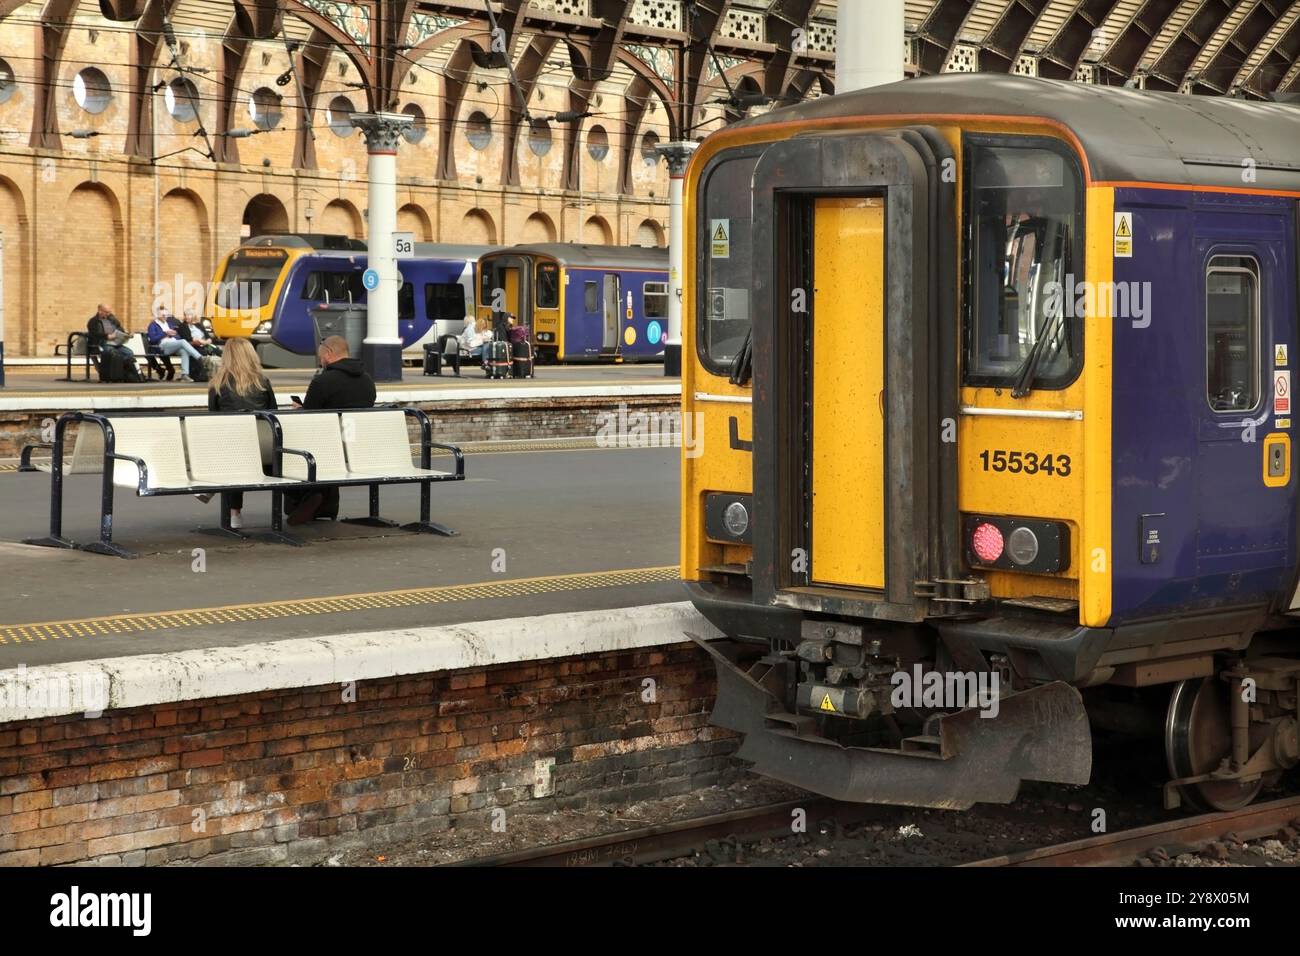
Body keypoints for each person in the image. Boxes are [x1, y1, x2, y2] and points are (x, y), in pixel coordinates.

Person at [285, 335, 376, 524]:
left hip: (326, 447)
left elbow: (309, 419)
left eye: (320, 356)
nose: (320, 360)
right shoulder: (367, 380)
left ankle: (308, 498)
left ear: (328, 353)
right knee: (329, 446)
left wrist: (299, 409)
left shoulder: (322, 381)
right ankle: (326, 505)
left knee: (285, 452)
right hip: (358, 445)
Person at [200, 338, 277, 530]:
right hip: (264, 450)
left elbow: (214, 418)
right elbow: (273, 413)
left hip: (233, 448)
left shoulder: (218, 384)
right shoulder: (263, 382)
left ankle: (232, 511)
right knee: (240, 451)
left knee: (232, 452)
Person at [147, 309, 204, 382]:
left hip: (173, 344)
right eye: (163, 315)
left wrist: (173, 335)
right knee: (183, 341)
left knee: (184, 351)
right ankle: (200, 358)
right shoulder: (153, 325)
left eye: (166, 315)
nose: (165, 316)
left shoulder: (169, 324)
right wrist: (165, 333)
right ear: (157, 315)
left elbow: (178, 336)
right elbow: (153, 339)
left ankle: (184, 375)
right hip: (162, 346)